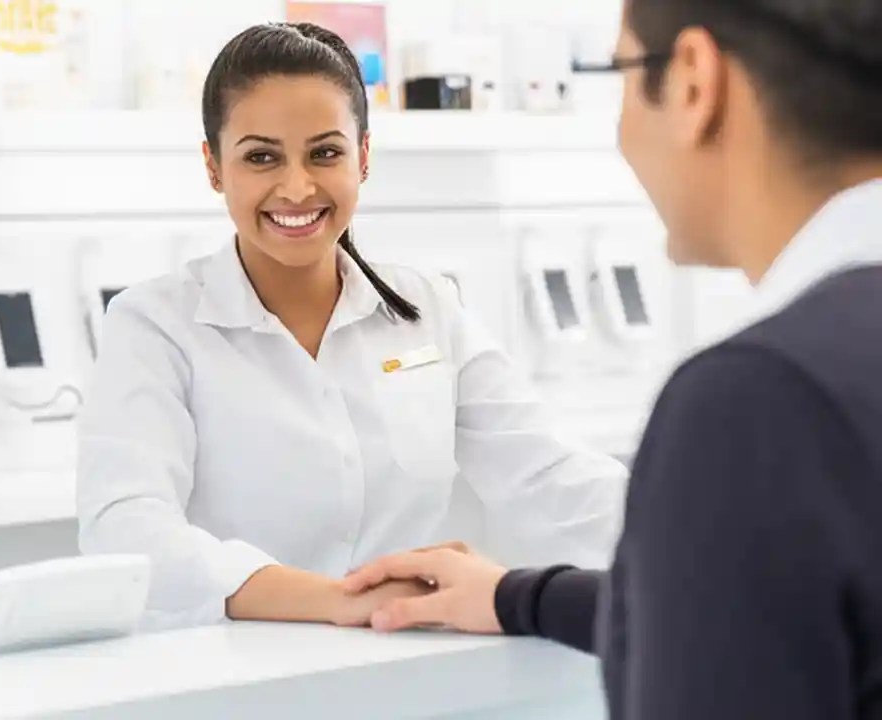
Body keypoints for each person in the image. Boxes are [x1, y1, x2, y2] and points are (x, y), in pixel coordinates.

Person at [345, 0, 882, 717]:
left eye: (621, 74)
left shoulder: (758, 403)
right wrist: (520, 596)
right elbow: (757, 604)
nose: (623, 132)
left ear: (694, 82)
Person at [74, 22, 627, 631]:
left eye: (325, 152)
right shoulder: (154, 326)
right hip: (226, 681)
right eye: (261, 157)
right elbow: (126, 527)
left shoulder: (427, 307)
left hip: (392, 671)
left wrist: (707, 536)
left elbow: (550, 473)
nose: (296, 186)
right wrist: (342, 601)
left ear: (363, 157)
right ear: (213, 166)